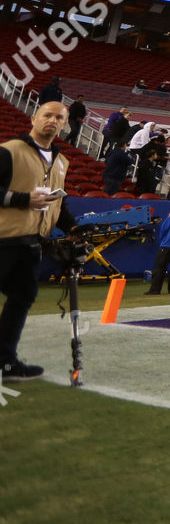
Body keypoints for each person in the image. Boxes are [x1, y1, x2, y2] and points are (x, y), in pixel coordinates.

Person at [0, 99, 78, 380]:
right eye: (47, 115)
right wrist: (22, 199)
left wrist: (74, 228)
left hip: (31, 243)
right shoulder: (9, 151)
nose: (53, 120)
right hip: (4, 239)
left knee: (21, 299)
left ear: (65, 124)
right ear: (33, 118)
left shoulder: (62, 161)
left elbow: (59, 203)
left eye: (59, 117)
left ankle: (5, 362)